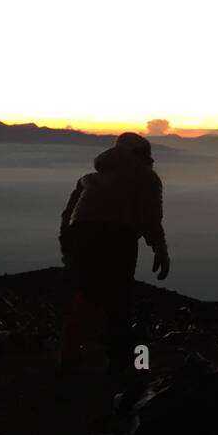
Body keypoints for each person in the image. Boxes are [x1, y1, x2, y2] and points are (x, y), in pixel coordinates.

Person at [59, 131, 169, 376]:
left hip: (82, 236)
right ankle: (118, 363)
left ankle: (70, 357)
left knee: (85, 294)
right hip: (119, 237)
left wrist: (67, 249)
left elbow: (68, 218)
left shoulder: (89, 178)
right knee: (119, 298)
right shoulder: (147, 177)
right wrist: (160, 249)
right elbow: (150, 217)